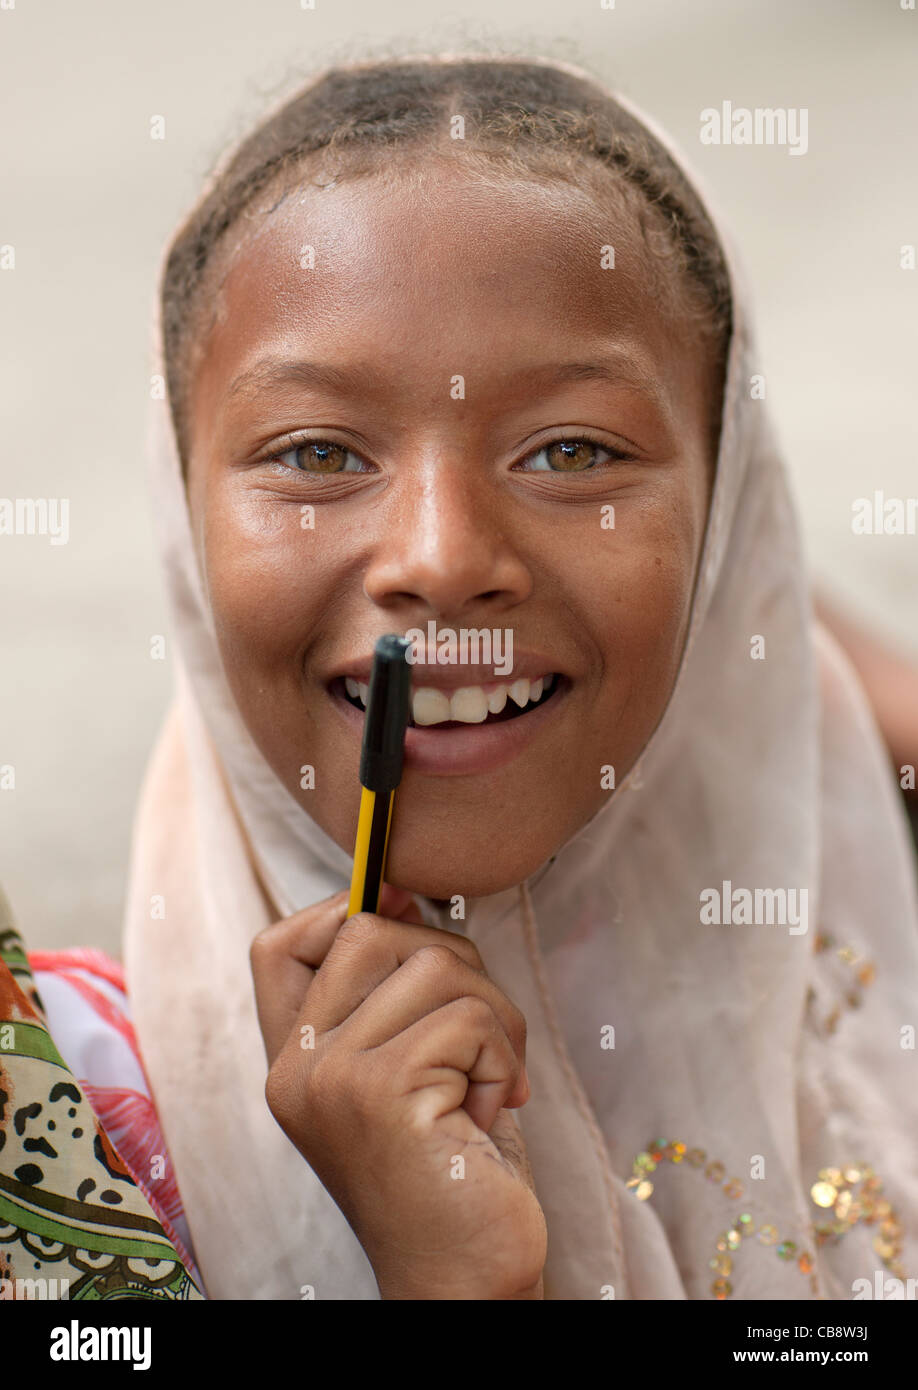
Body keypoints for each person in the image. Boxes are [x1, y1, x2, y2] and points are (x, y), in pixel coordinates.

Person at [7, 52, 918, 1301]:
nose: (440, 558)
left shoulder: (880, 960)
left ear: (732, 535)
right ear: (182, 520)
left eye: (572, 449)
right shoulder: (50, 1127)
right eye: (318, 450)